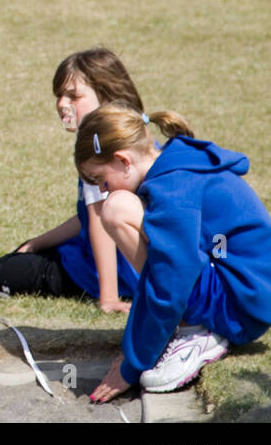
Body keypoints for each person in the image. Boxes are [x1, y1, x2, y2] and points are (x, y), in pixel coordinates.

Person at [76, 103, 271, 401]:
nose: (104, 190)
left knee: (117, 209)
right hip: (244, 292)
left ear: (123, 160)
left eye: (103, 180)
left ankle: (196, 330)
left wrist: (133, 364)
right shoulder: (173, 164)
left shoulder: (174, 188)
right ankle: (190, 322)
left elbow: (171, 281)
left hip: (240, 308)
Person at [0, 49, 143, 310]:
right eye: (59, 95)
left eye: (74, 96)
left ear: (106, 95)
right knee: (23, 253)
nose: (61, 103)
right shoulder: (133, 136)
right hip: (124, 264)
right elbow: (87, 217)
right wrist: (37, 243)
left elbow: (100, 221)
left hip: (110, 271)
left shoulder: (99, 152)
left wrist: (109, 297)